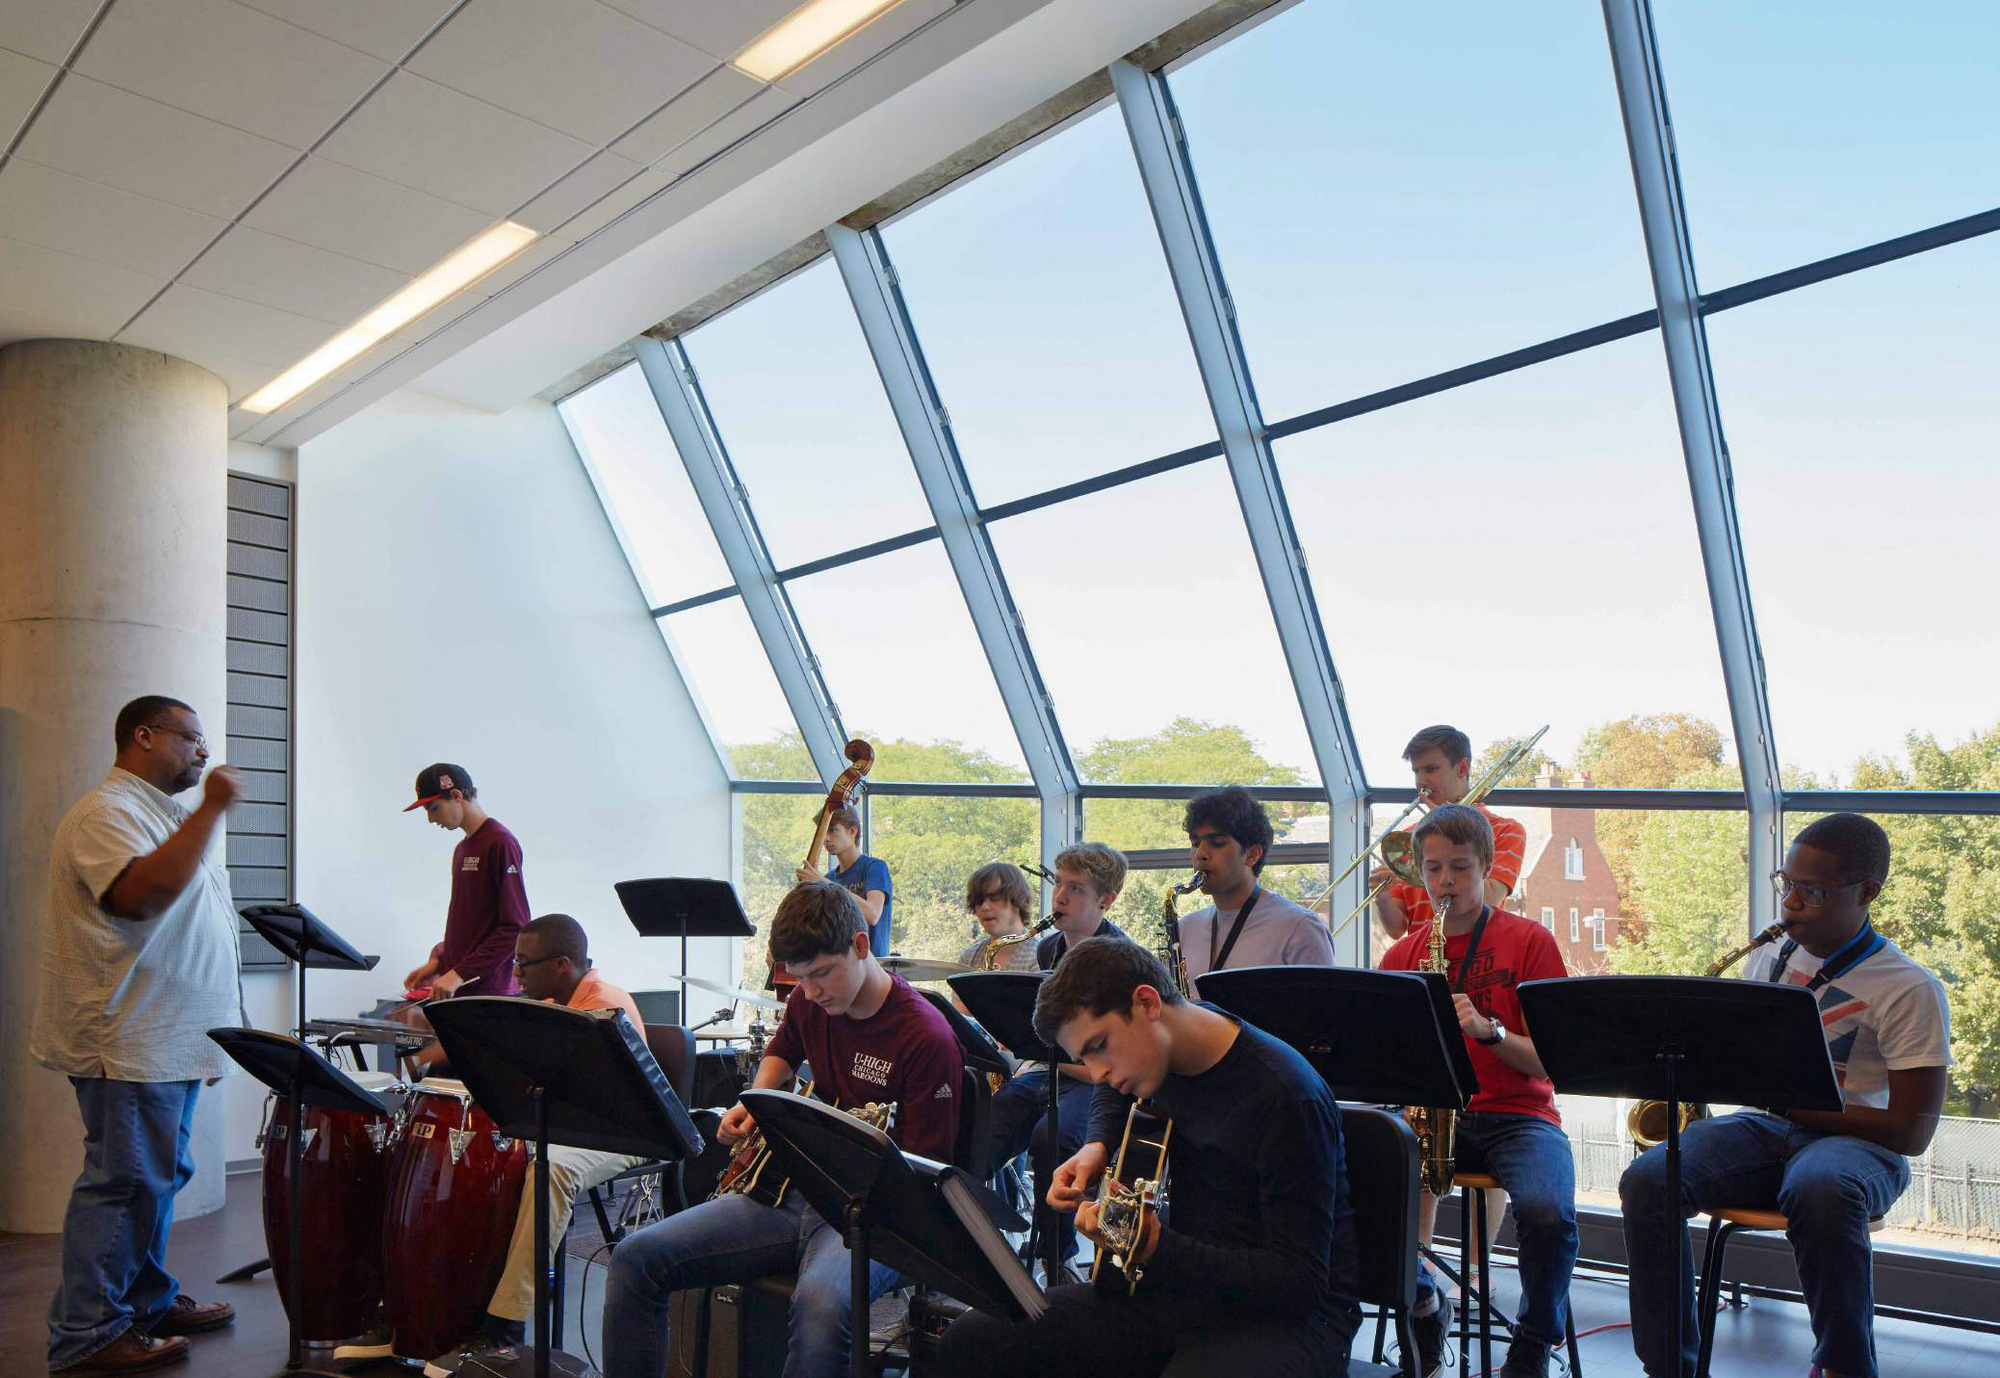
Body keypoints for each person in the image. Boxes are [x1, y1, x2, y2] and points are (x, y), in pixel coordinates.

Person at [1620, 813, 1949, 1378]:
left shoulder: (1909, 987)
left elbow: (1911, 1133)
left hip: (1861, 1146)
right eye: (1786, 883)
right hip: (1767, 1129)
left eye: (1812, 891)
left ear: (1867, 892)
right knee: (1650, 1179)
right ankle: (1668, 1367)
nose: (1791, 903)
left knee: (1819, 1188)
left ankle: (1845, 1366)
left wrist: (1797, 1105)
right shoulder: (1771, 957)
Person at [939, 937, 1360, 1377]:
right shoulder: (1159, 1049)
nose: (1097, 1071)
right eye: (1084, 1057)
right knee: (973, 1341)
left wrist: (1155, 1247)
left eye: (1098, 1046)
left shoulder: (1285, 1095)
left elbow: (1298, 1283)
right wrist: (1096, 1144)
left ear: (1147, 1003)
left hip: (1293, 1318)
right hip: (1185, 1286)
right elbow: (1108, 1087)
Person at [602, 881, 963, 1378]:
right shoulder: (809, 1002)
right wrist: (755, 1101)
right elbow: (783, 1049)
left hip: (873, 1218)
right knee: (634, 1258)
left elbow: (924, 1179)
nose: (811, 992)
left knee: (821, 1303)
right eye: (800, 978)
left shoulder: (926, 1037)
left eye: (820, 974)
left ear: (861, 947)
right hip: (788, 1195)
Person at [34, 696, 247, 1375]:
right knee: (125, 1183)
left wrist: (207, 1038)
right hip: (127, 1038)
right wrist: (214, 808)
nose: (205, 753)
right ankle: (87, 1333)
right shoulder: (108, 813)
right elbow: (137, 898)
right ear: (144, 736)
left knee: (154, 1179)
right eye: (192, 738)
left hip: (165, 1040)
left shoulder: (159, 814)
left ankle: (144, 1302)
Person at [1378, 804, 1575, 1378]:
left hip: (1520, 1114)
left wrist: (1489, 1031)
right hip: (1434, 1112)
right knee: (1356, 1185)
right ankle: (1423, 1304)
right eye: (1434, 869)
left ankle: (1534, 1345)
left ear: (1486, 866)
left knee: (1546, 1212)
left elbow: (1552, 1061)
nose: (1446, 883)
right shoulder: (1401, 955)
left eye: (1460, 868)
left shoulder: (1529, 941)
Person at [421, 914, 649, 1373]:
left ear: (562, 964)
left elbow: (596, 1101)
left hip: (624, 1131)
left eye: (524, 963)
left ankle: (505, 1325)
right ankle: (457, 1297)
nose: (516, 972)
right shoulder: (556, 1000)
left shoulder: (599, 1009)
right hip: (574, 1125)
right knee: (486, 1157)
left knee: (551, 1170)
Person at [985, 844, 1128, 1266]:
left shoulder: (1119, 962)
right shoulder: (1050, 950)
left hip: (1097, 1080)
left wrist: (1040, 1057)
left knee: (1055, 1136)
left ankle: (1056, 1248)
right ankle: (966, 1229)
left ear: (1106, 900)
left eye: (1076, 888)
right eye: (1058, 884)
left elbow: (1112, 1064)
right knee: (990, 1120)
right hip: (1056, 1069)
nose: (1059, 897)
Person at [1373, 725, 1528, 943]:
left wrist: (1449, 824)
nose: (1420, 781)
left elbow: (1490, 899)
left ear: (1462, 768)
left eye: (1431, 769)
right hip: (1422, 959)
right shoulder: (1408, 838)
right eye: (1416, 771)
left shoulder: (1506, 830)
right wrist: (1383, 897)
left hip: (1479, 955)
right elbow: (1397, 929)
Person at [1176, 786, 1334, 994]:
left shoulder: (1300, 928)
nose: (1201, 854)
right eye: (1195, 843)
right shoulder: (1185, 927)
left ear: (1252, 855)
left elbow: (1323, 1017)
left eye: (1217, 843)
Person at [400, 762, 530, 1001]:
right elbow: (471, 926)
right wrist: (440, 964)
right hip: (464, 991)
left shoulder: (500, 842)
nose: (430, 819)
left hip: (489, 993)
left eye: (433, 808)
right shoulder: (462, 849)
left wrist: (460, 972)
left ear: (457, 795)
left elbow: (515, 927)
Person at [796, 804, 892, 957]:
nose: (826, 838)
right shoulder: (828, 879)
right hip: (841, 968)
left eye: (833, 830)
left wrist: (825, 884)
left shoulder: (875, 867)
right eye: (823, 832)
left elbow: (872, 915)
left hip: (874, 967)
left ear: (852, 831)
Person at [956, 861, 1043, 972]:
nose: (984, 907)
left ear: (1018, 900)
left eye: (994, 898)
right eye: (978, 900)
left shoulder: (1040, 957)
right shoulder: (969, 957)